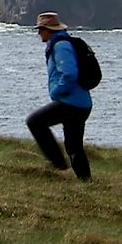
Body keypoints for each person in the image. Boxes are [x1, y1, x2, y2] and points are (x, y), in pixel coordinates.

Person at [26, 12, 93, 180]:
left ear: (49, 30)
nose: (39, 33)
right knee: (74, 146)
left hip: (71, 103)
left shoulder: (60, 46)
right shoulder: (62, 43)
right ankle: (85, 181)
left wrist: (57, 91)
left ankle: (58, 164)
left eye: (41, 29)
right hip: (81, 102)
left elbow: (69, 74)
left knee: (35, 121)